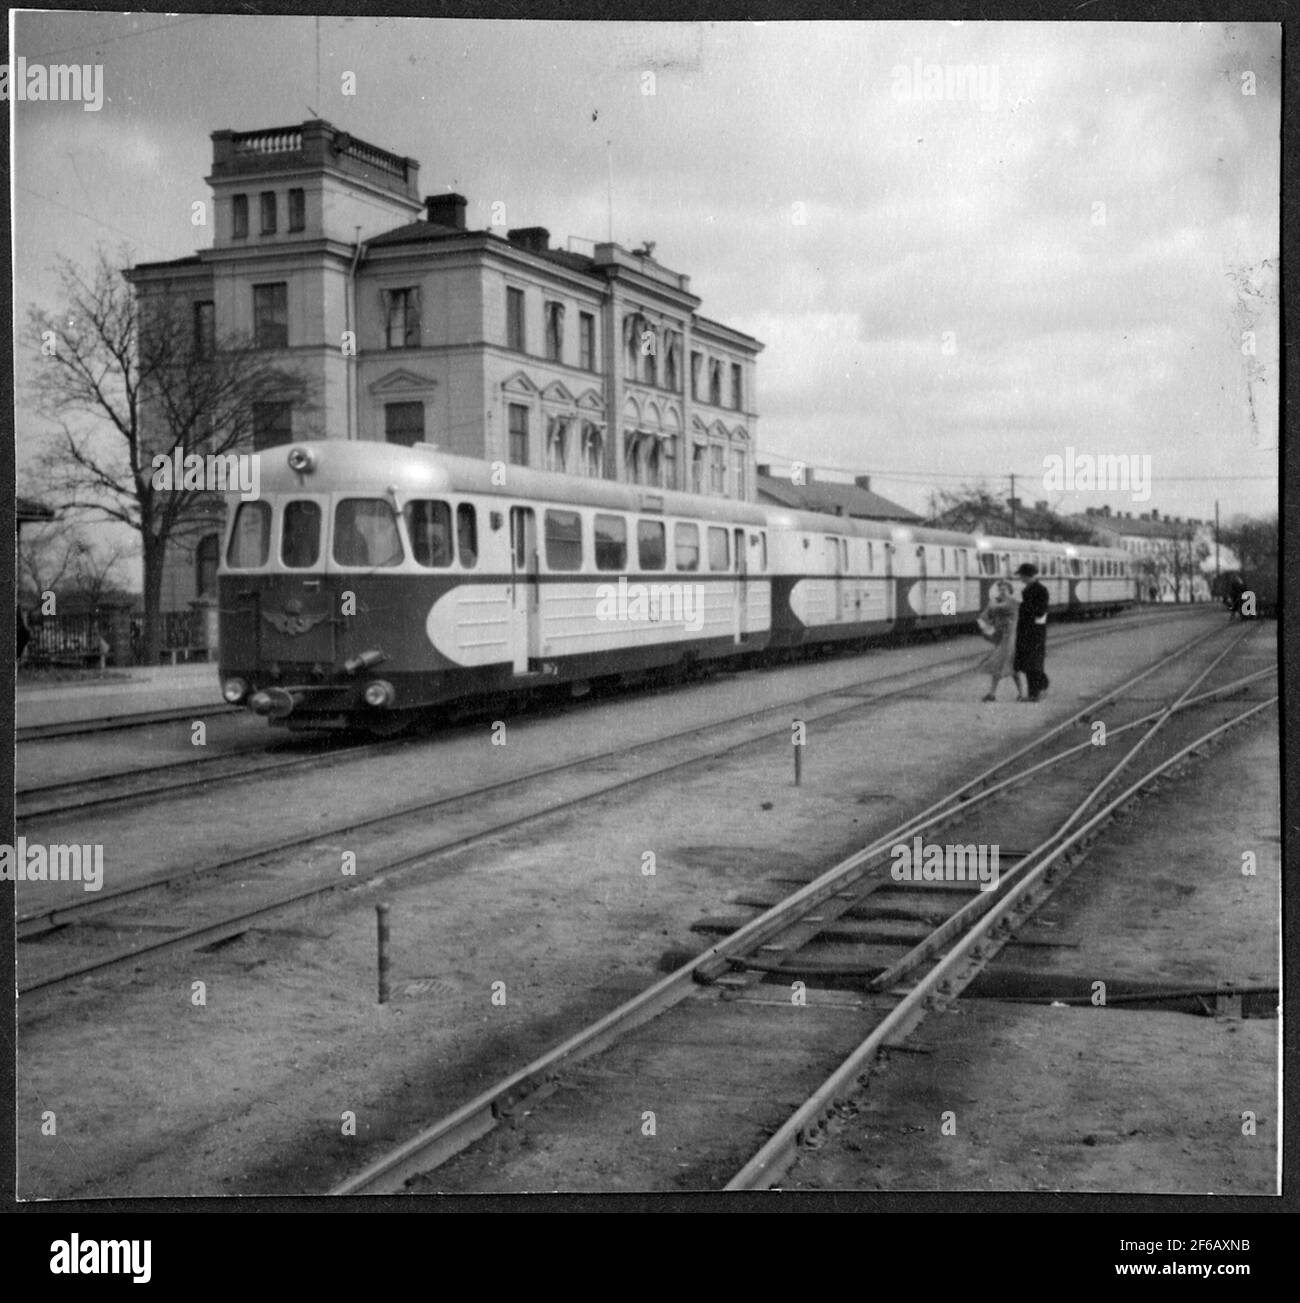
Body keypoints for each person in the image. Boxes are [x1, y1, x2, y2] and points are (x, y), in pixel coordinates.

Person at [977, 579, 1021, 701]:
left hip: (1010, 638)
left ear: (1009, 591)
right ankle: (1020, 693)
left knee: (1001, 665)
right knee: (1010, 666)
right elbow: (984, 616)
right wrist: (987, 625)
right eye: (1000, 589)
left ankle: (992, 694)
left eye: (1004, 589)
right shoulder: (998, 602)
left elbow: (998, 608)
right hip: (1002, 638)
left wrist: (991, 605)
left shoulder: (1012, 602)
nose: (1002, 592)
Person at [1013, 562, 1050, 701]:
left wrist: (1022, 607)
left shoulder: (1041, 590)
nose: (1020, 579)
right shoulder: (1026, 590)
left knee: (1034, 663)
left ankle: (1037, 691)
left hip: (1035, 632)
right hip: (1025, 631)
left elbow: (1040, 611)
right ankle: (1034, 692)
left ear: (1027, 576)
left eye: (1021, 576)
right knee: (1027, 664)